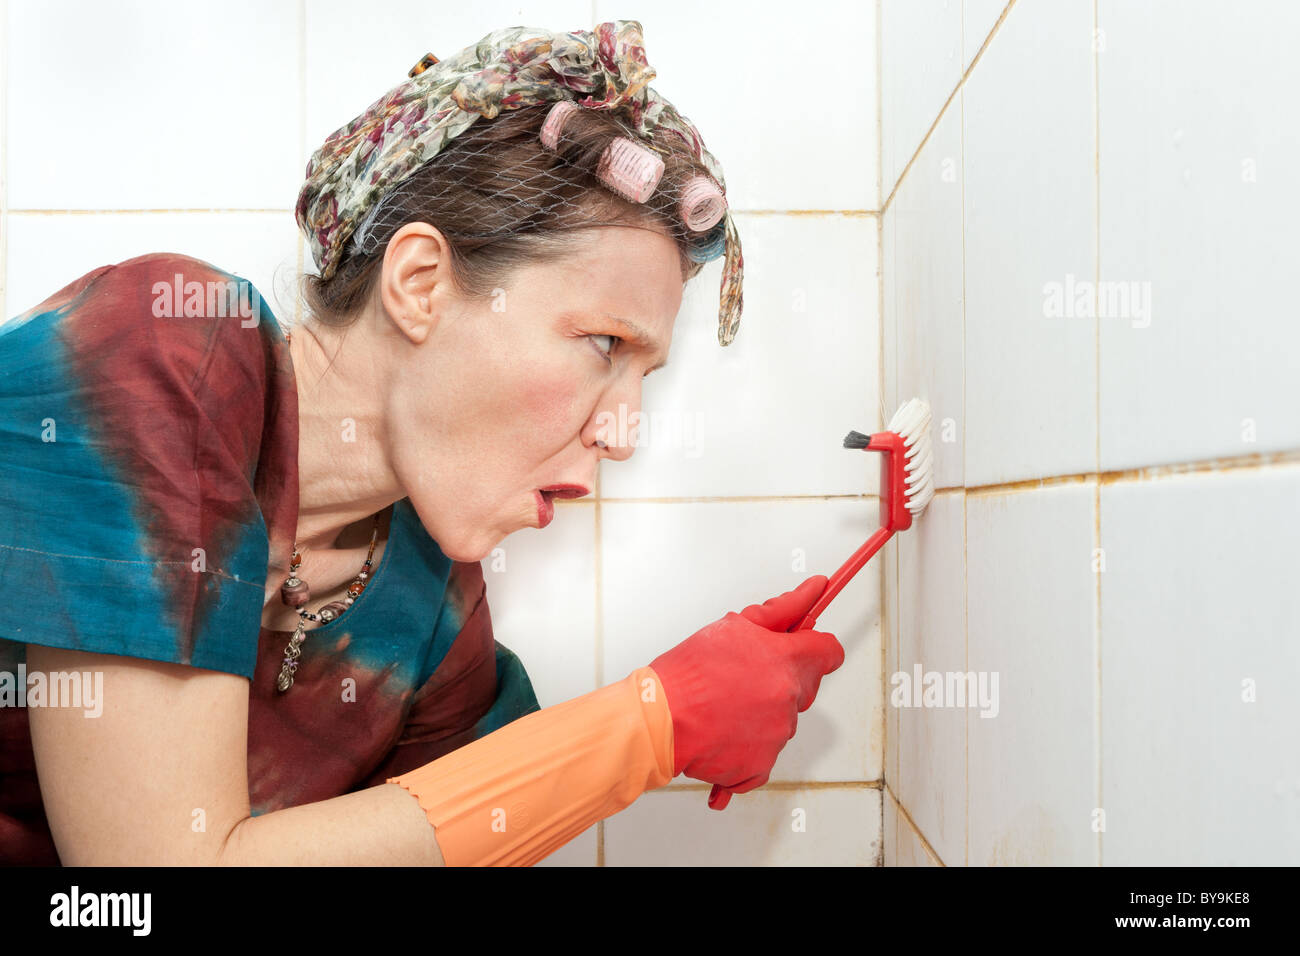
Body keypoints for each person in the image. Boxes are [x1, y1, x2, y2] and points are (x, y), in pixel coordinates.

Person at [0, 20, 843, 867]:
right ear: (419, 285)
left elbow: (462, 827)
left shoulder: (433, 609)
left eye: (643, 377)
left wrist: (667, 719)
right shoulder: (167, 355)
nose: (621, 433)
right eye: (603, 345)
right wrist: (651, 725)